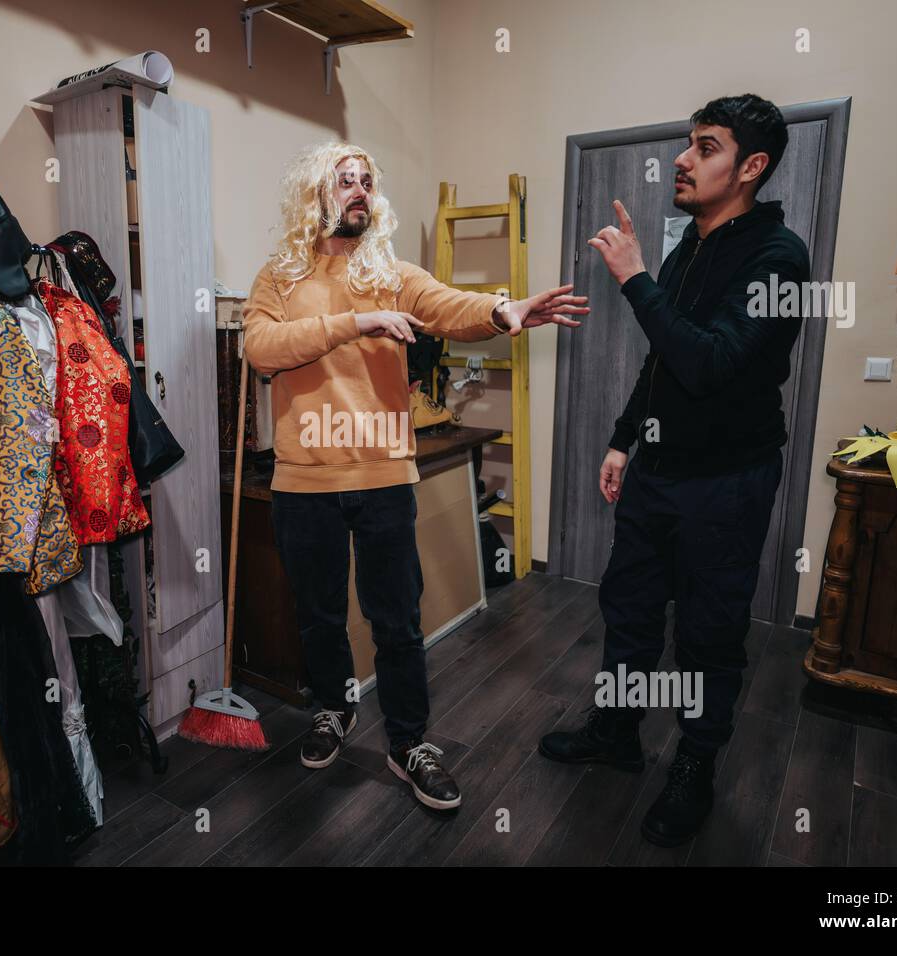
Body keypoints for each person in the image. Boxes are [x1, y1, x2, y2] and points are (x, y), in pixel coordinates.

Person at [244, 142, 587, 810]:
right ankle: (333, 712)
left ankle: (408, 743)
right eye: (345, 181)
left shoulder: (389, 272)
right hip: (304, 481)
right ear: (316, 193)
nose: (359, 191)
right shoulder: (279, 278)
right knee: (318, 619)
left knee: (396, 620)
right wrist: (356, 321)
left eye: (367, 182)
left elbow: (446, 304)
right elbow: (259, 349)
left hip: (381, 476)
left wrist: (500, 310)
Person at [539, 94, 810, 846]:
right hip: (657, 471)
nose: (684, 160)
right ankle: (616, 732)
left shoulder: (779, 259)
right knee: (627, 610)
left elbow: (711, 364)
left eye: (707, 147)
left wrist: (633, 279)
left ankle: (694, 766)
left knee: (708, 633)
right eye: (689, 144)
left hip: (726, 482)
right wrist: (626, 438)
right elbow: (665, 359)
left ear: (751, 167)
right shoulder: (691, 244)